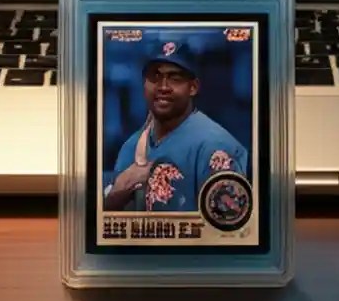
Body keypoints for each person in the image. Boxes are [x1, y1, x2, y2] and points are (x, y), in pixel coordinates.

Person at [103, 40, 250, 212]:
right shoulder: (130, 146)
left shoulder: (216, 146)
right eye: (155, 76)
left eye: (174, 78)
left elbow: (230, 226)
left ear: (193, 87)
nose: (163, 87)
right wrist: (115, 195)